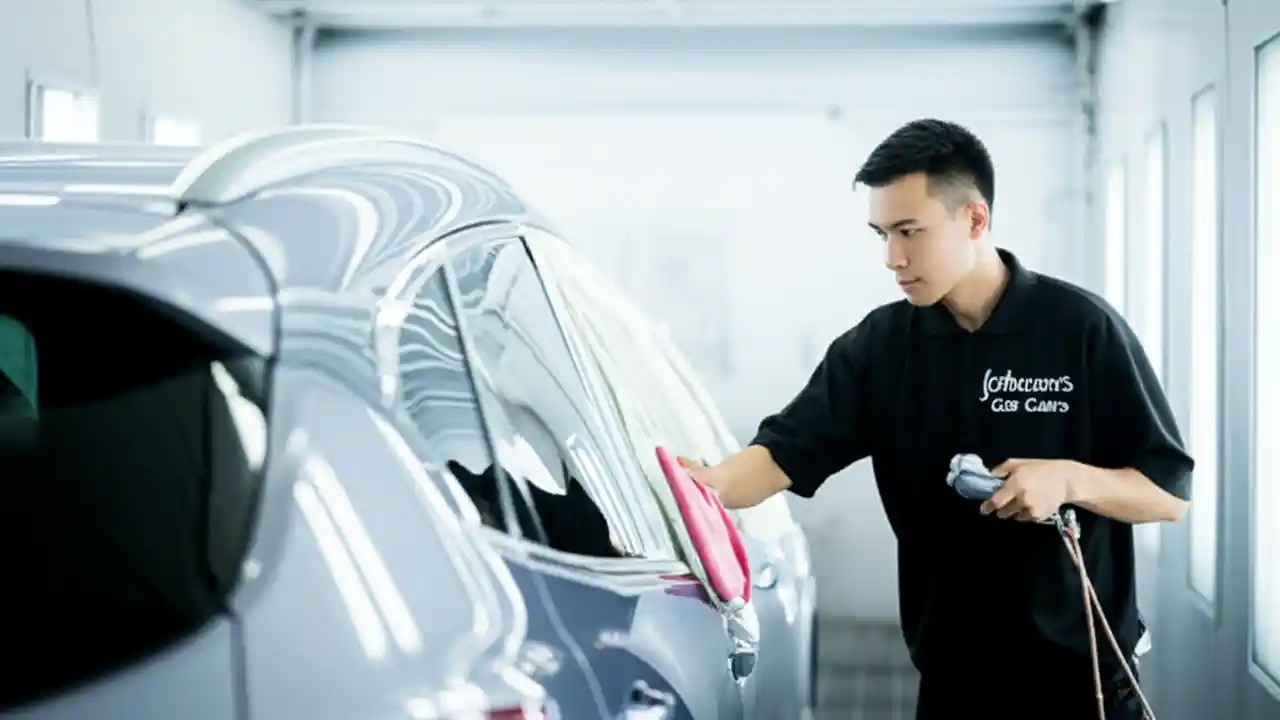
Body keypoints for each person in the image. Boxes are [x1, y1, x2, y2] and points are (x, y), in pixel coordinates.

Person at [680, 118, 1192, 719]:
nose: (893, 258)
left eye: (909, 232)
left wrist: (1071, 480)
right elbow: (779, 455)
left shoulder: (1080, 330)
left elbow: (1166, 494)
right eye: (881, 234)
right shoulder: (879, 349)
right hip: (955, 680)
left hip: (1083, 684)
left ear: (974, 219)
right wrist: (703, 488)